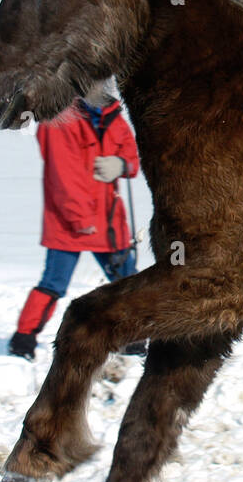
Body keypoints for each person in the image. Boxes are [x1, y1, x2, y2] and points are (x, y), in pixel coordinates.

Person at [9, 84, 144, 360]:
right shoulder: (58, 120)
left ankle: (134, 340)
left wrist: (121, 165)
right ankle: (23, 340)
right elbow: (63, 177)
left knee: (128, 282)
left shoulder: (112, 115)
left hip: (108, 222)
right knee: (54, 283)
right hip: (70, 224)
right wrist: (80, 219)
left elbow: (133, 158)